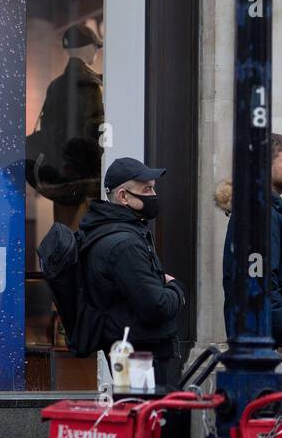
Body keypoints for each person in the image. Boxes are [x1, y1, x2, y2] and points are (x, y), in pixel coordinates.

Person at [78, 156, 185, 388]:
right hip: (140, 354)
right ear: (123, 196)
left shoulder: (114, 232)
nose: (153, 196)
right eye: (146, 190)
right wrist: (175, 288)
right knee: (147, 417)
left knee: (139, 414)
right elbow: (156, 306)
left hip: (132, 349)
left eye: (153, 189)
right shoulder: (124, 244)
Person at [220, 133, 282, 389]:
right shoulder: (260, 214)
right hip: (275, 339)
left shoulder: (272, 210)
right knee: (272, 418)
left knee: (280, 418)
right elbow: (258, 281)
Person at [26, 23, 105, 227]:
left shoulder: (56, 86)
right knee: (86, 239)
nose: (96, 52)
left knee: (64, 238)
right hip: (86, 182)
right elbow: (94, 131)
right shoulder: (91, 86)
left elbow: (47, 128)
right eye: (96, 47)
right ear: (87, 48)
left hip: (60, 177)